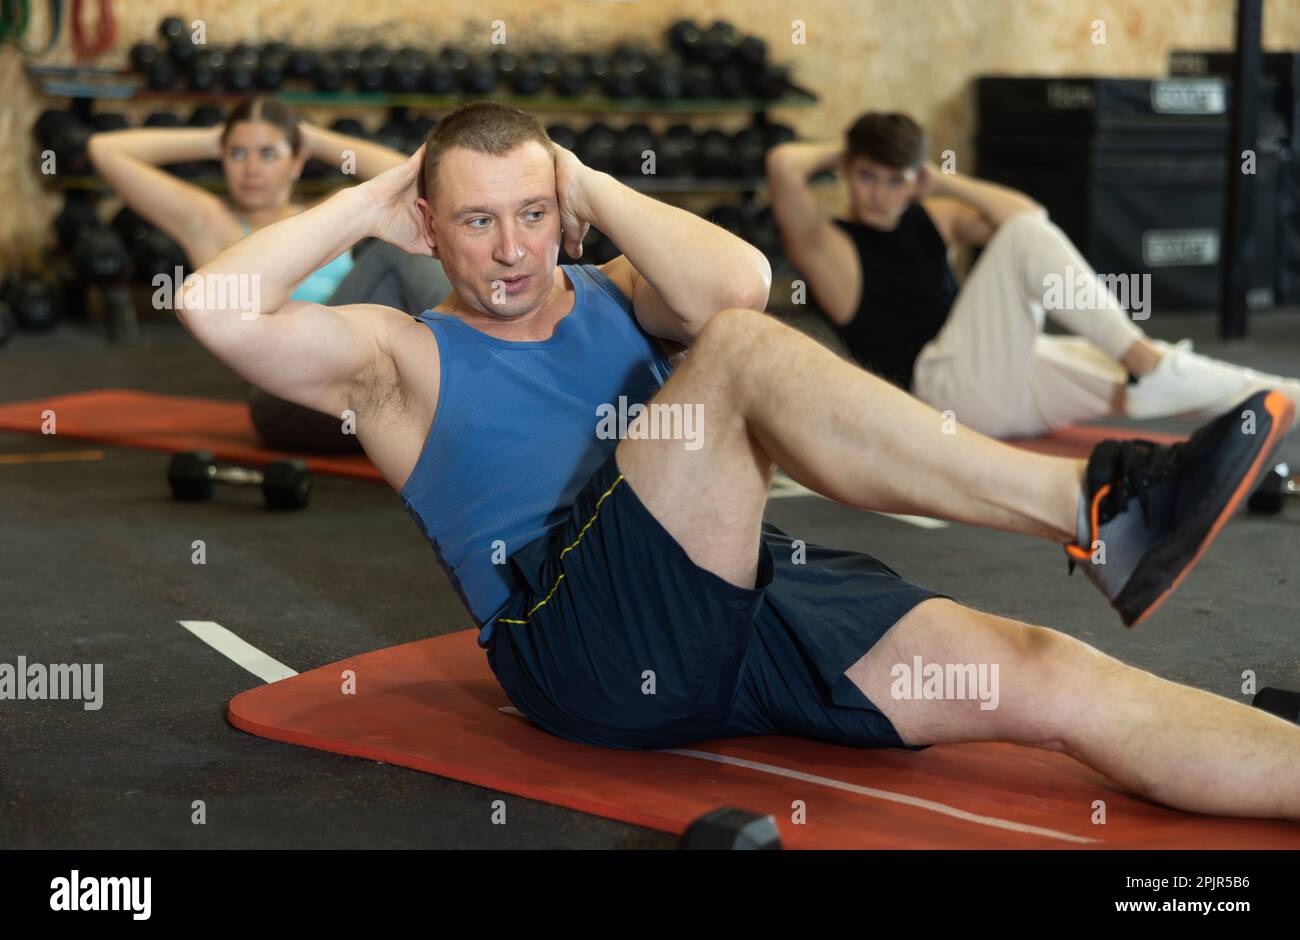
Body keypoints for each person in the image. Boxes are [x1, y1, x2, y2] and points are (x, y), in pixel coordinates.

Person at [174, 101, 1299, 821]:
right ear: (430, 224)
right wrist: (373, 199)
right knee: (745, 360)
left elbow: (738, 284)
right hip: (582, 646)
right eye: (475, 223)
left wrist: (592, 186)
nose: (511, 249)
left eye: (531, 213)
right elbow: (216, 309)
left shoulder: (612, 290)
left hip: (740, 594)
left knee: (1045, 670)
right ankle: (1091, 502)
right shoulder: (400, 361)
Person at [765, 112, 1300, 439]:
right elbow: (783, 164)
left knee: (1135, 379)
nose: (878, 193)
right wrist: (856, 147)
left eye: (893, 181)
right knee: (1029, 248)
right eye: (865, 177)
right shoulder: (828, 248)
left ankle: (1285, 397)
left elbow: (1028, 211)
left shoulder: (934, 216)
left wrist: (943, 180)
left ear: (914, 181)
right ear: (848, 172)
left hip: (1001, 382)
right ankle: (1141, 357)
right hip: (942, 395)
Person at [87, 96, 452, 453]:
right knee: (397, 254)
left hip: (371, 388)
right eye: (237, 154)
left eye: (267, 154)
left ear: (296, 163)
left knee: (412, 249)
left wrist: (314, 138)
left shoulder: (328, 214)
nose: (251, 169)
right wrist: (214, 138)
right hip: (293, 402)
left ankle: (466, 392)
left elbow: (414, 179)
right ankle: (478, 385)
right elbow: (105, 150)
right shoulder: (209, 223)